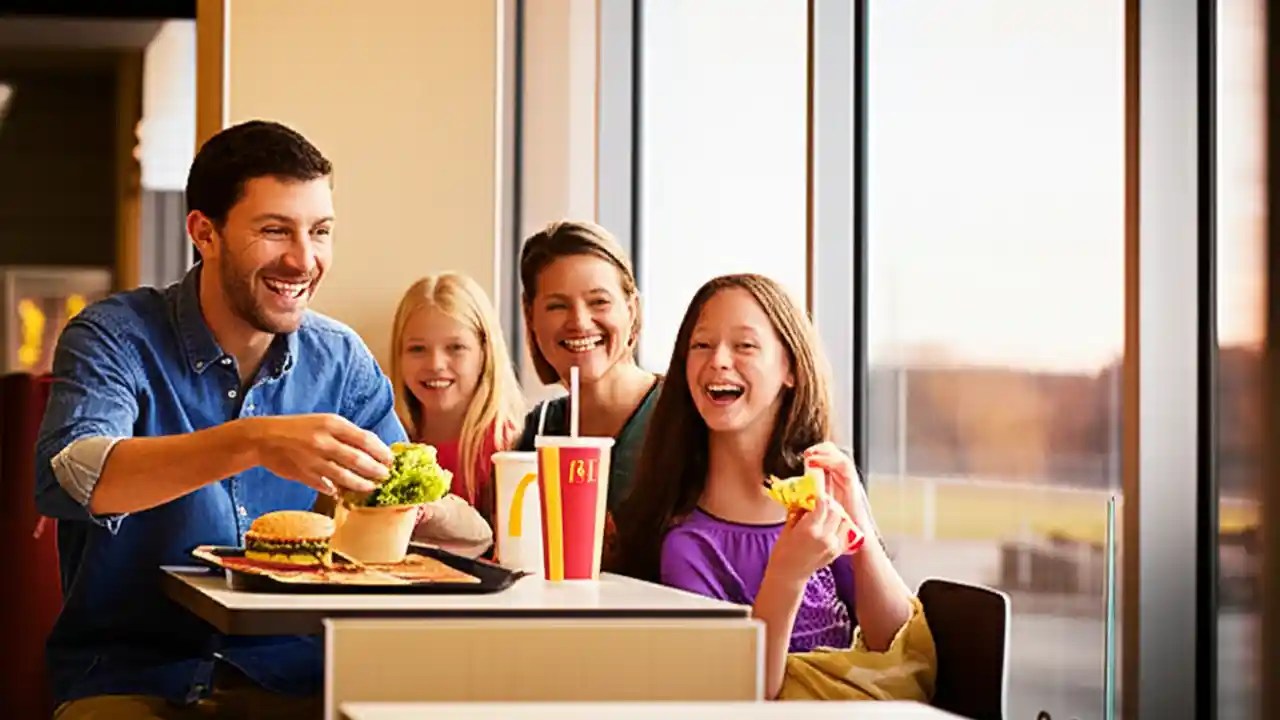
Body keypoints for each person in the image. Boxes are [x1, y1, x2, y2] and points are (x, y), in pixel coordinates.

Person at [34, 120, 405, 719]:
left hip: (299, 678)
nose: (304, 259)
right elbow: (75, 477)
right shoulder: (114, 336)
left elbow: (396, 494)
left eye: (321, 232)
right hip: (134, 678)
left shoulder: (342, 361)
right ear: (204, 233)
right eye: (275, 230)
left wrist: (448, 516)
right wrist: (251, 442)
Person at [613, 273, 925, 700]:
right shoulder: (688, 545)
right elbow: (741, 697)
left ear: (791, 370)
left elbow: (895, 643)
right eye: (701, 345)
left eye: (744, 345)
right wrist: (787, 575)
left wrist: (860, 527)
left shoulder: (819, 504)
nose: (719, 360)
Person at [515, 220, 660, 512]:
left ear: (631, 310)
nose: (579, 322)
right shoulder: (540, 430)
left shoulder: (683, 417)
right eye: (557, 306)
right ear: (530, 317)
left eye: (599, 302)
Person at [388, 273, 524, 550]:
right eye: (417, 349)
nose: (436, 364)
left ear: (485, 353)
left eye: (456, 348)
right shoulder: (387, 442)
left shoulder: (507, 450)